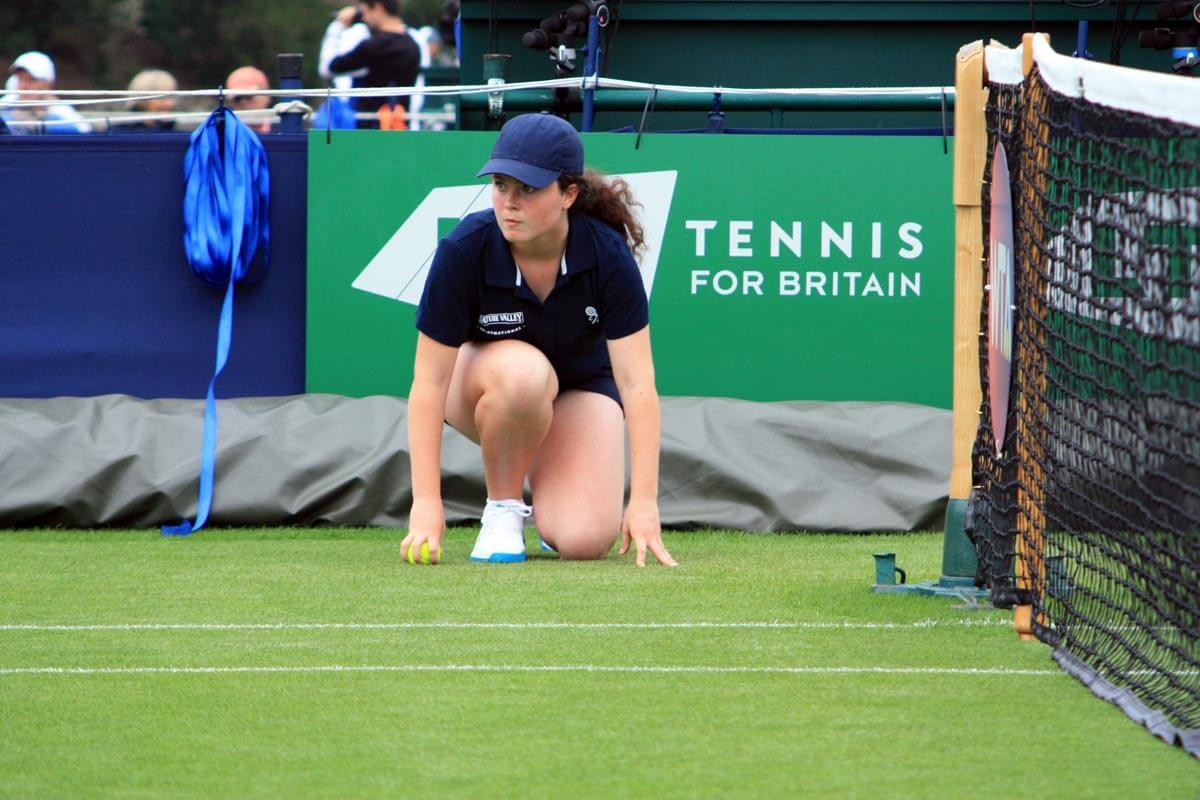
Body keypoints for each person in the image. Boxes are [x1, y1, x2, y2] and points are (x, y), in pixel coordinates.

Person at [400, 113, 678, 568]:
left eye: (528, 189)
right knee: (525, 375)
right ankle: (503, 509)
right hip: (485, 390)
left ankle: (549, 494)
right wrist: (426, 502)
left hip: (577, 393)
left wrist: (644, 502)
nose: (509, 203)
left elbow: (638, 385)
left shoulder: (608, 255)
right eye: (501, 185)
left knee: (585, 541)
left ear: (568, 194)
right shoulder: (462, 250)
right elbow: (428, 384)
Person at [324, 1, 420, 128]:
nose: (364, 18)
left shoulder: (374, 46)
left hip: (371, 129)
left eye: (365, 12)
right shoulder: (412, 44)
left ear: (378, 7)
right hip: (400, 126)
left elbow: (328, 68)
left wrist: (337, 26)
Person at [0, 51, 91, 134]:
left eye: (31, 80)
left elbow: (84, 130)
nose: (24, 86)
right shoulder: (5, 106)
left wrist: (45, 121)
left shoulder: (61, 112)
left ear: (48, 83)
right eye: (20, 79)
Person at [111, 68, 178, 132]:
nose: (170, 103)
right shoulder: (116, 133)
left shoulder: (177, 135)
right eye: (162, 98)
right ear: (142, 98)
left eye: (172, 97)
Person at [224, 65, 272, 134]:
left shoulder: (285, 127)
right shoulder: (225, 134)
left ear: (266, 96)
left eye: (248, 96)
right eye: (237, 98)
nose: (243, 102)